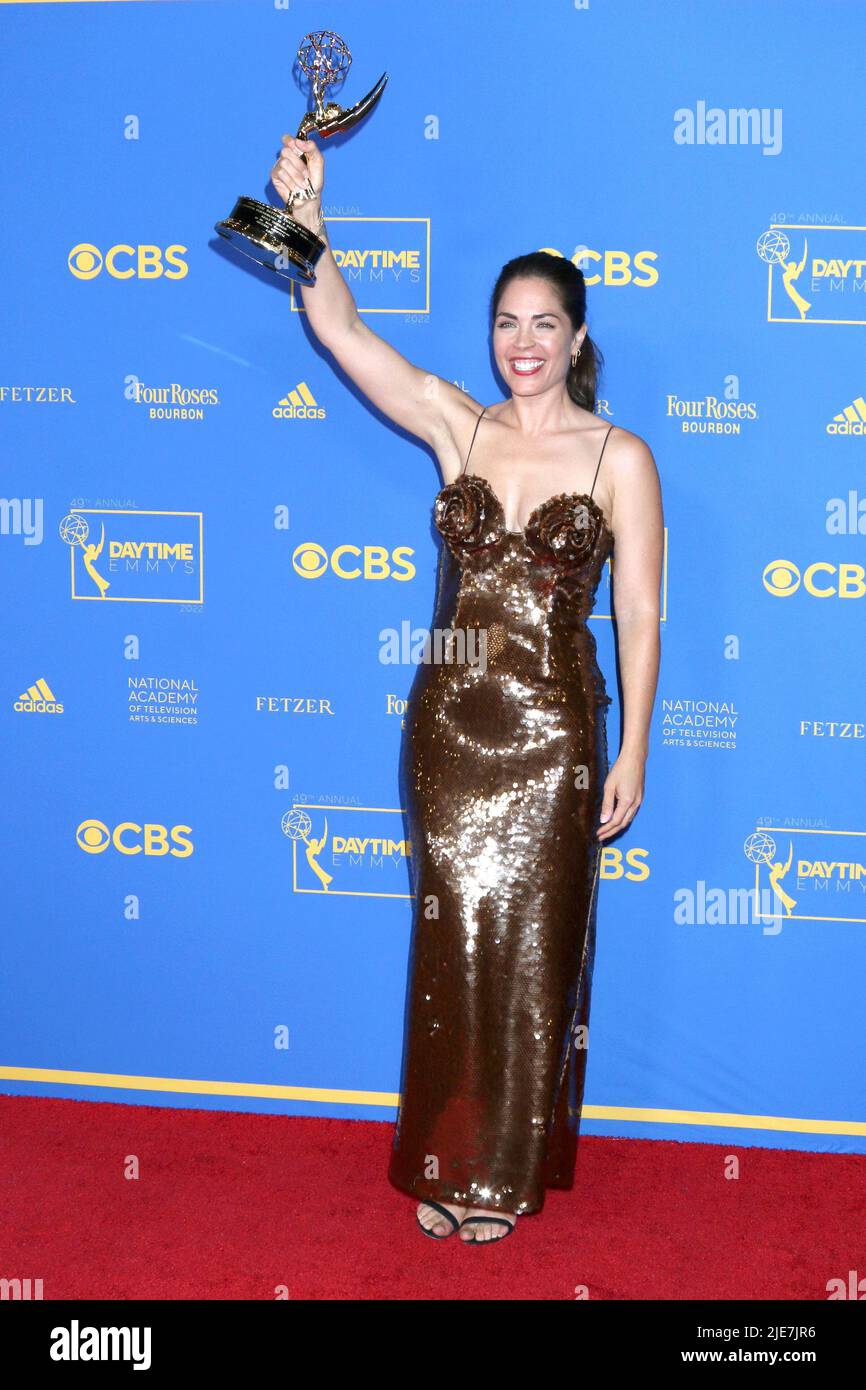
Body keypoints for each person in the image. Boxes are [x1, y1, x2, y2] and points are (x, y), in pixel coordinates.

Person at [271, 135, 663, 1244]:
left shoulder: (617, 457)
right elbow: (340, 330)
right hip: (448, 727)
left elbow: (636, 613)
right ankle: (442, 1163)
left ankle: (502, 1174)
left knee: (531, 945)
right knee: (450, 946)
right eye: (506, 322)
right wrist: (307, 213)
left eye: (544, 323)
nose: (522, 342)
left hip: (556, 735)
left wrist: (633, 749)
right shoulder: (459, 424)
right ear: (488, 335)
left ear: (577, 337)